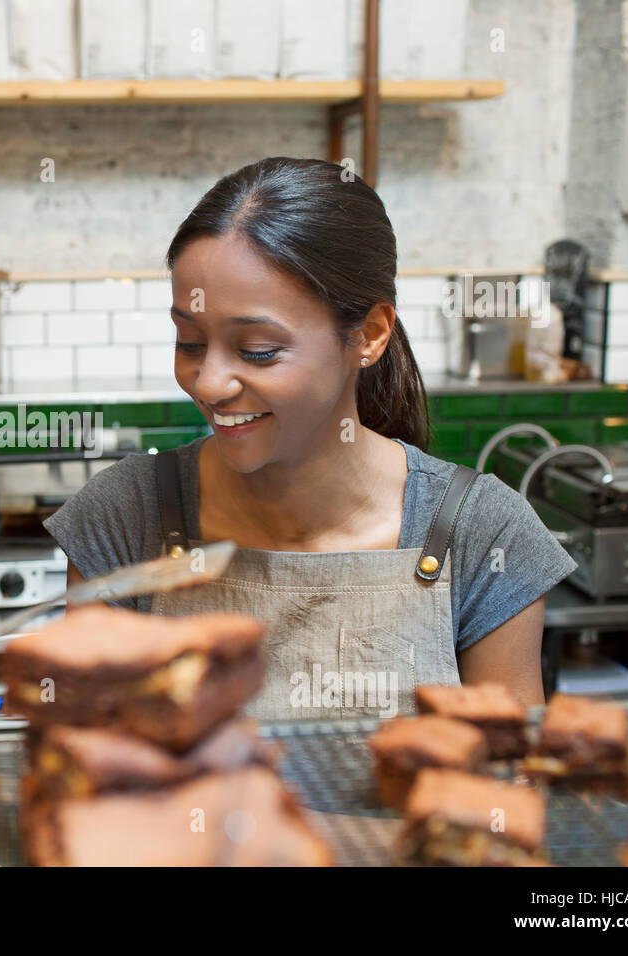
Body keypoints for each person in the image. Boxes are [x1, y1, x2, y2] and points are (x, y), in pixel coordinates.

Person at [44, 157, 577, 721]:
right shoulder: (124, 518)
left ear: (368, 335)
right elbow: (86, 773)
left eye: (257, 350)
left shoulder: (481, 533)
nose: (209, 383)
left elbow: (508, 789)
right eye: (190, 342)